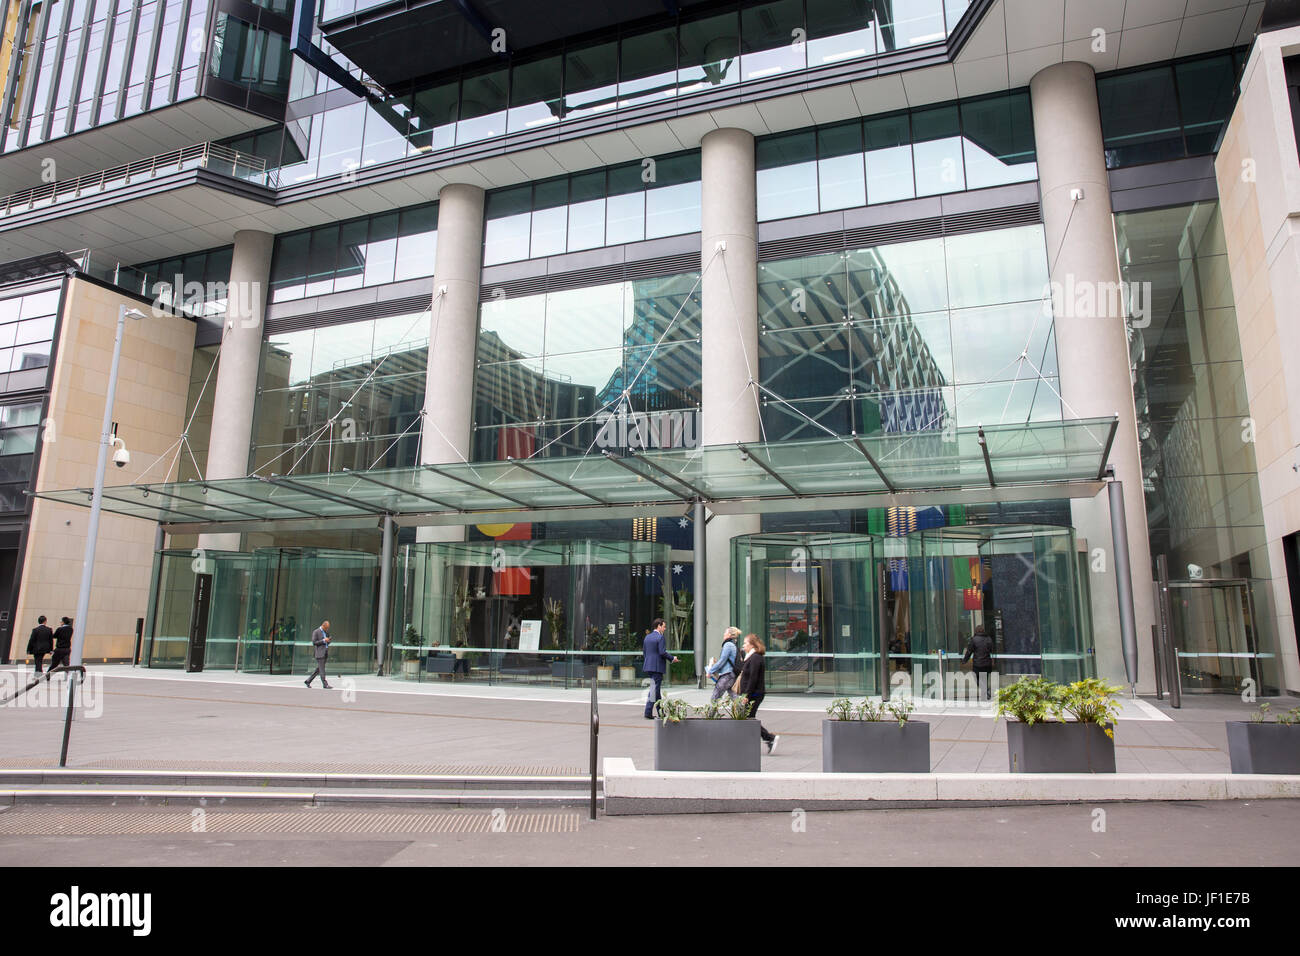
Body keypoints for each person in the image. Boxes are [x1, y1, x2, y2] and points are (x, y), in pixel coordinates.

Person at [735, 634, 779, 754]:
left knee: (747, 718)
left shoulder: (756, 658)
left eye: (745, 643)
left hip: (754, 694)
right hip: (752, 693)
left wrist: (747, 696)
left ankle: (769, 738)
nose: (743, 645)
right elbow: (742, 671)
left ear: (752, 645)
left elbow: (753, 678)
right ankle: (765, 739)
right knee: (747, 718)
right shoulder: (750, 657)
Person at [642, 618, 678, 719]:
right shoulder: (660, 637)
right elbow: (662, 652)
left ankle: (661, 713)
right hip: (657, 667)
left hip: (648, 666)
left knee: (656, 691)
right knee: (654, 690)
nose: (665, 628)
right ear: (659, 626)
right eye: (664, 626)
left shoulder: (647, 637)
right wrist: (672, 658)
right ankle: (648, 712)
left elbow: (644, 652)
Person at [705, 626, 742, 701]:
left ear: (729, 635)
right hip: (732, 675)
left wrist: (710, 671)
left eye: (725, 632)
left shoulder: (728, 645)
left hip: (727, 675)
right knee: (735, 698)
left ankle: (710, 713)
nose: (724, 634)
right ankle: (744, 712)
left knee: (715, 698)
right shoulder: (733, 644)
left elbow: (722, 661)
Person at [962, 623, 996, 700]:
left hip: (978, 664)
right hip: (987, 663)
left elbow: (969, 651)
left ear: (976, 631)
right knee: (985, 679)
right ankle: (986, 691)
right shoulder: (988, 638)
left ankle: (985, 690)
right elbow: (992, 650)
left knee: (976, 677)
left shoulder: (974, 639)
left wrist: (964, 660)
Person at [304, 620, 333, 689]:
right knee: (322, 669)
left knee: (319, 669)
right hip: (319, 653)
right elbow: (314, 642)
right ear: (323, 626)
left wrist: (328, 640)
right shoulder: (316, 632)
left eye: (327, 628)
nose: (327, 629)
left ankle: (308, 681)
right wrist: (323, 641)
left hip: (325, 652)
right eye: (326, 628)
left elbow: (327, 641)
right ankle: (325, 684)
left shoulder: (326, 632)